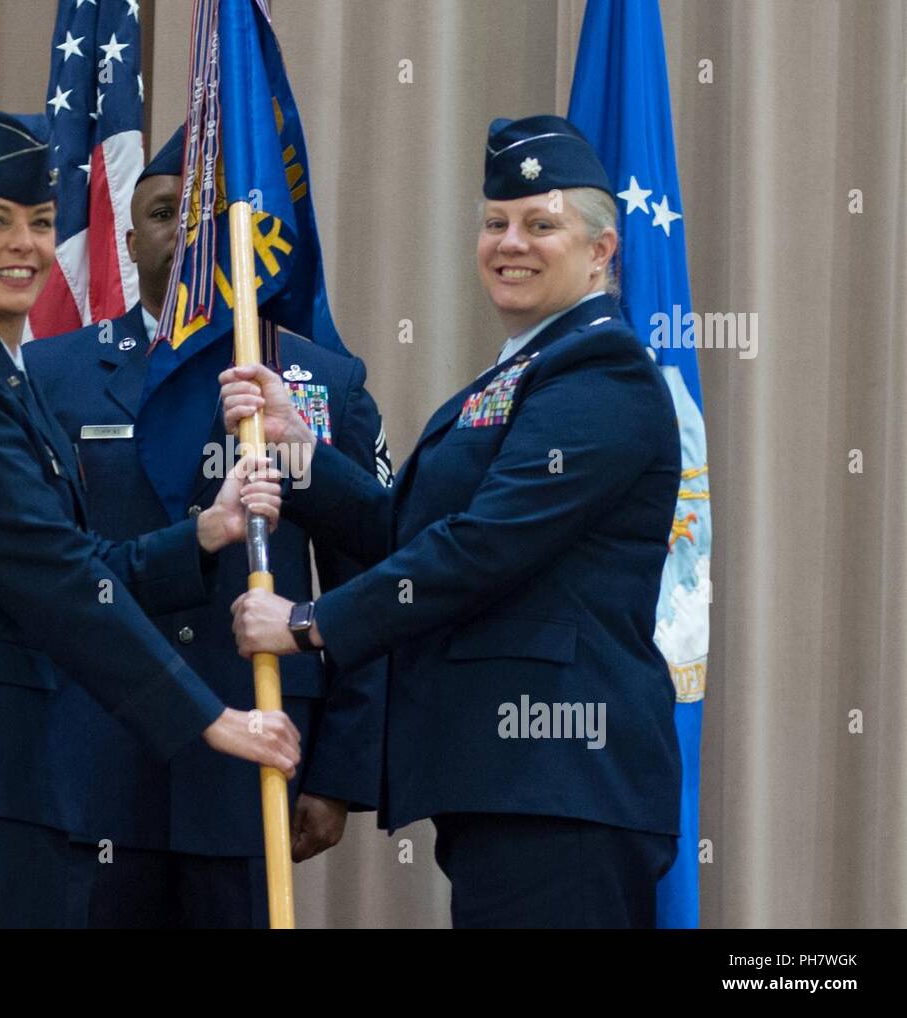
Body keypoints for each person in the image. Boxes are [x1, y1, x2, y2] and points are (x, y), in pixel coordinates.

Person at [224, 115, 682, 929]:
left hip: (562, 785)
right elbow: (405, 527)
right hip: (508, 784)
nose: (512, 242)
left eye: (543, 224)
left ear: (602, 250)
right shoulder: (521, 371)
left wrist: (308, 623)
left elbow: (483, 547)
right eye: (496, 221)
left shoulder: (601, 373)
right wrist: (297, 452)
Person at [0, 109, 300, 929]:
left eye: (41, 223)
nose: (23, 245)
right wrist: (209, 716)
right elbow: (55, 581)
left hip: (22, 788)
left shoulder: (8, 381)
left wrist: (206, 531)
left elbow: (76, 557)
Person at [23, 126, 392, 928]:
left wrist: (337, 772)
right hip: (94, 764)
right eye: (164, 214)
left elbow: (372, 576)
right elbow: (36, 571)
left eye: (209, 217)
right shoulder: (53, 376)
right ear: (127, 239)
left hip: (257, 766)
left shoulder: (317, 381)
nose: (187, 235)